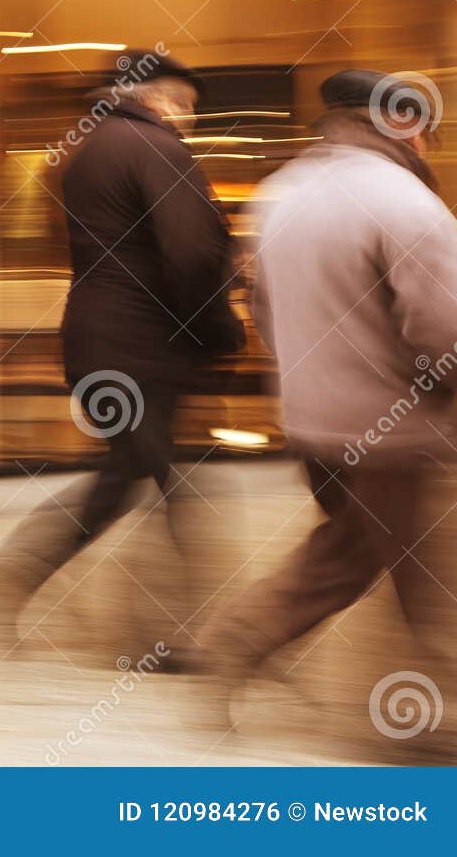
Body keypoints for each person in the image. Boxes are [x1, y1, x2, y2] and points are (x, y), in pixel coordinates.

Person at [198, 70, 457, 735]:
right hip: (397, 430)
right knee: (436, 577)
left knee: (348, 553)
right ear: (409, 128)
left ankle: (236, 640)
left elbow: (260, 305)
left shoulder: (279, 193)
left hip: (313, 424)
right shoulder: (406, 203)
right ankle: (438, 720)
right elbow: (442, 328)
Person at [0, 49, 244, 653]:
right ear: (150, 94)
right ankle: (176, 637)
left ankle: (34, 588)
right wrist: (217, 329)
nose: (188, 117)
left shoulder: (83, 151)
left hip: (99, 341)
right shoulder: (158, 150)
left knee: (130, 477)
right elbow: (192, 255)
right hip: (147, 346)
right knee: (169, 482)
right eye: (182, 102)